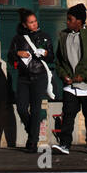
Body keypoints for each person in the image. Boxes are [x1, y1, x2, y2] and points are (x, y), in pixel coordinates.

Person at [54, 4, 87, 155]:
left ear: (79, 21)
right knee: (68, 115)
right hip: (70, 86)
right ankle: (64, 144)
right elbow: (59, 61)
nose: (67, 22)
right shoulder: (63, 36)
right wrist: (63, 75)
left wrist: (84, 76)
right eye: (67, 19)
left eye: (70, 19)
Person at [8, 8, 55, 152]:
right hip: (23, 77)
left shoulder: (44, 36)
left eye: (35, 21)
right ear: (24, 24)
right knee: (21, 108)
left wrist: (46, 53)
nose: (34, 24)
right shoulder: (18, 39)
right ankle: (32, 131)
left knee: (35, 109)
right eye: (31, 22)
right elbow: (10, 57)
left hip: (39, 76)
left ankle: (32, 142)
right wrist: (17, 53)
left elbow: (52, 57)